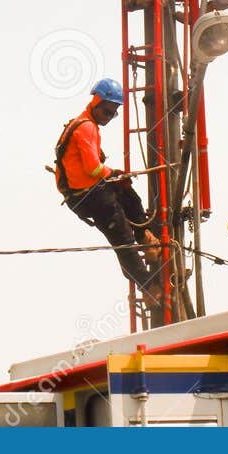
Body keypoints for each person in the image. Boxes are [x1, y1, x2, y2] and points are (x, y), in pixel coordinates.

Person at [53, 78, 161, 305]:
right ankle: (150, 286)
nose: (108, 117)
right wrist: (111, 172)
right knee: (121, 235)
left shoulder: (84, 124)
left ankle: (145, 236)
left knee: (128, 196)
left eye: (113, 114)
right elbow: (92, 167)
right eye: (106, 111)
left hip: (88, 191)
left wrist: (115, 176)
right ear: (95, 102)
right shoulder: (86, 127)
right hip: (86, 196)